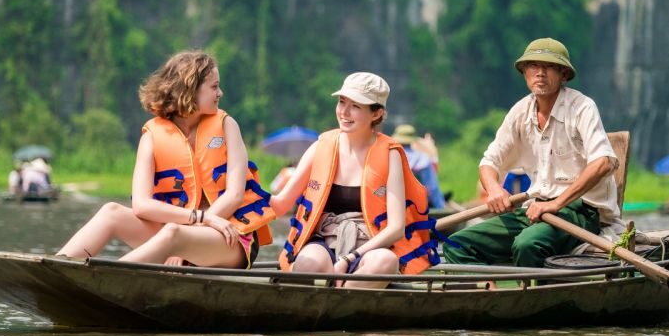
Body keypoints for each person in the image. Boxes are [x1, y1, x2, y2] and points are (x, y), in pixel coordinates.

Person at [57, 51, 274, 268]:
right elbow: (141, 206)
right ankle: (57, 267)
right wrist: (198, 219)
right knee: (111, 212)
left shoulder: (227, 125)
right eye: (214, 87)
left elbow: (235, 195)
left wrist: (188, 237)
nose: (220, 93)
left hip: (230, 238)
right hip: (178, 235)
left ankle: (101, 279)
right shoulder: (152, 136)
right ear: (189, 89)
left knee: (174, 233)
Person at [443, 37, 624, 268]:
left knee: (527, 245)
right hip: (536, 209)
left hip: (581, 212)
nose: (540, 73)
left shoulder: (581, 107)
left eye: (549, 67)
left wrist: (556, 203)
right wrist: (494, 189)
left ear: (564, 75)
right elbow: (489, 161)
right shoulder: (521, 111)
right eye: (533, 66)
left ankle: (533, 299)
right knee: (456, 244)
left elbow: (603, 163)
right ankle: (488, 294)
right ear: (524, 73)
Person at [270, 72, 439, 288]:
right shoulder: (321, 146)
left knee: (386, 261)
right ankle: (322, 307)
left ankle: (343, 307)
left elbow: (396, 228)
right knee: (307, 261)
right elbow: (281, 203)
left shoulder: (390, 155)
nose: (344, 112)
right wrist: (242, 192)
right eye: (342, 102)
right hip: (324, 239)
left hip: (369, 245)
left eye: (356, 106)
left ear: (376, 114)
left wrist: (349, 259)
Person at [391, 124, 446, 209]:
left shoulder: (390, 156)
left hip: (394, 203)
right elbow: (432, 187)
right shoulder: (423, 159)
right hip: (418, 205)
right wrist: (440, 207)